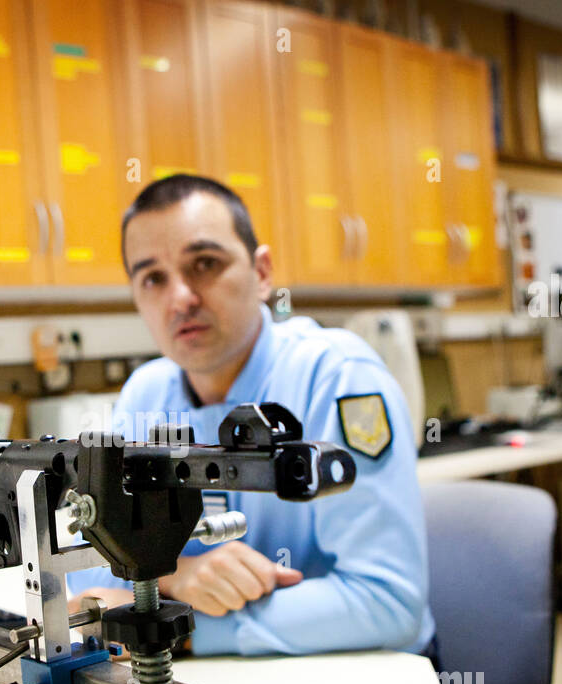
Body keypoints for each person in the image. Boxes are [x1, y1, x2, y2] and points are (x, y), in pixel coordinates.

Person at [66, 174, 435, 658]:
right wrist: (181, 577)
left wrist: (184, 629)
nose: (180, 298)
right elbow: (86, 579)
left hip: (364, 678)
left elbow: (388, 603)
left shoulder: (338, 378)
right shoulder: (145, 395)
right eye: (153, 278)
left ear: (262, 273)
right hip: (226, 682)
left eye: (204, 264)